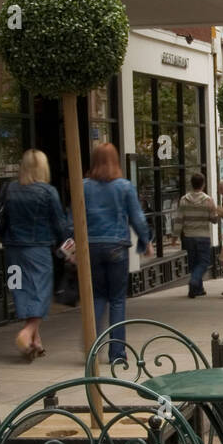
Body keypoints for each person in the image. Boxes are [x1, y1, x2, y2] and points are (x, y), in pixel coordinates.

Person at [83, 142, 151, 360]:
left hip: (91, 247)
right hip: (116, 247)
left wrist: (71, 245)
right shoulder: (124, 186)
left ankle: (91, 349)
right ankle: (117, 352)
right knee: (117, 300)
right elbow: (137, 217)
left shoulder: (83, 186)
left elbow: (72, 218)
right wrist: (145, 241)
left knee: (97, 297)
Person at [2, 148, 69, 360]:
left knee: (20, 289)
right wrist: (67, 242)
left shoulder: (8, 189)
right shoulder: (47, 192)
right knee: (40, 291)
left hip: (12, 250)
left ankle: (35, 342)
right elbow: (59, 224)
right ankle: (27, 332)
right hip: (38, 249)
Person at [175, 171, 219, 298]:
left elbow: (179, 219)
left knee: (194, 263)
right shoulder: (208, 200)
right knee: (204, 262)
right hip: (203, 236)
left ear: (191, 184)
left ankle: (197, 289)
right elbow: (214, 219)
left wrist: (175, 235)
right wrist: (215, 212)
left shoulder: (184, 200)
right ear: (203, 184)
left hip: (188, 236)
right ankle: (194, 281)